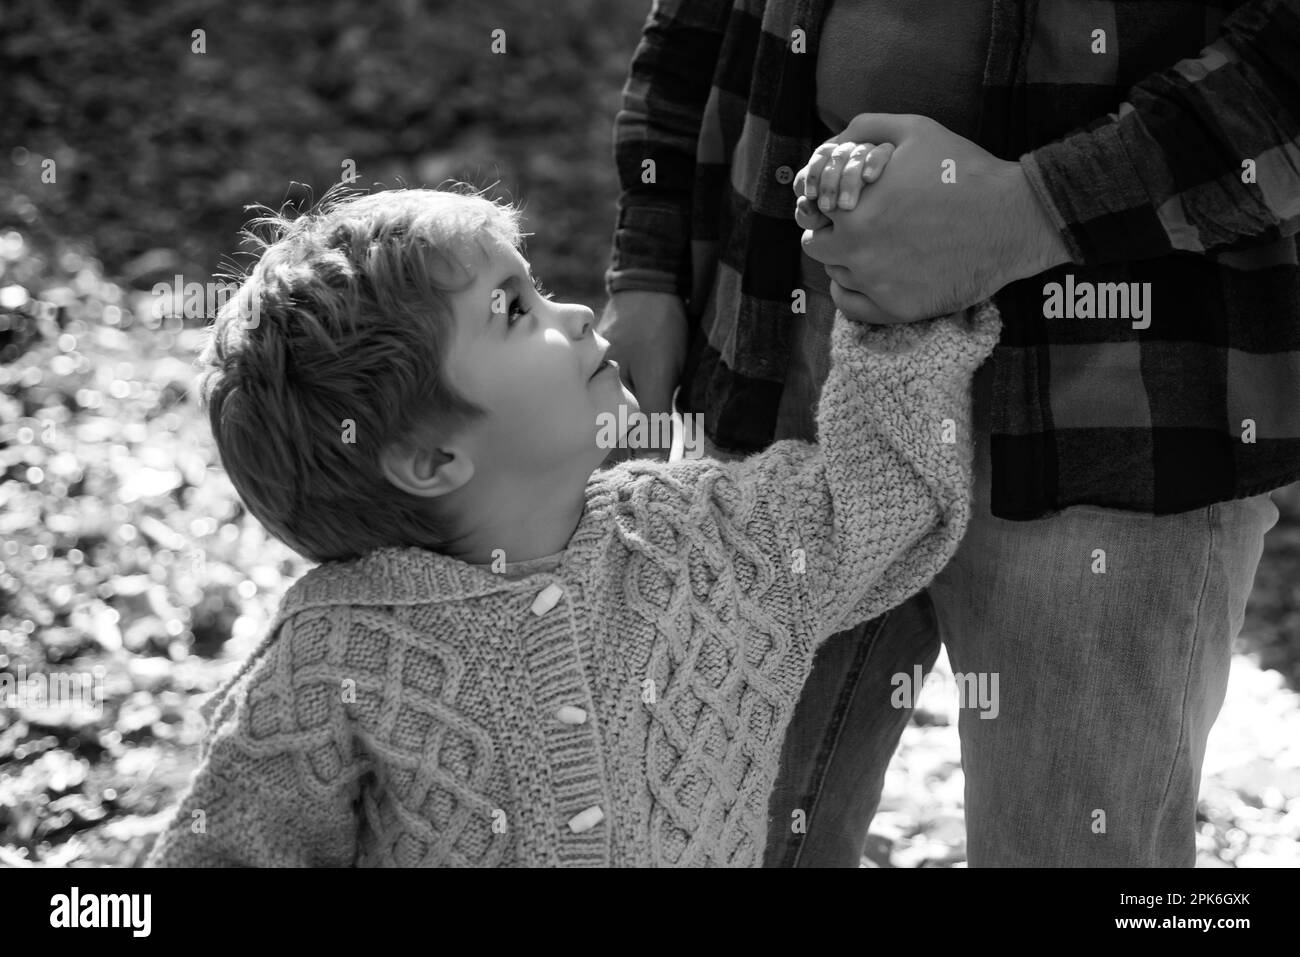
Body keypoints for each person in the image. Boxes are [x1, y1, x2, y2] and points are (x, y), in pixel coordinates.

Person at [600, 0, 1299, 866]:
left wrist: (1032, 210)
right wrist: (649, 256)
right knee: (722, 842)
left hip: (1125, 380)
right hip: (794, 347)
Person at [146, 183, 1001, 867]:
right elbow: (223, 848)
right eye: (515, 310)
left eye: (540, 287)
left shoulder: (707, 539)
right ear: (434, 458)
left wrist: (897, 301)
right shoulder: (338, 655)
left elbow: (877, 497)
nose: (577, 314)